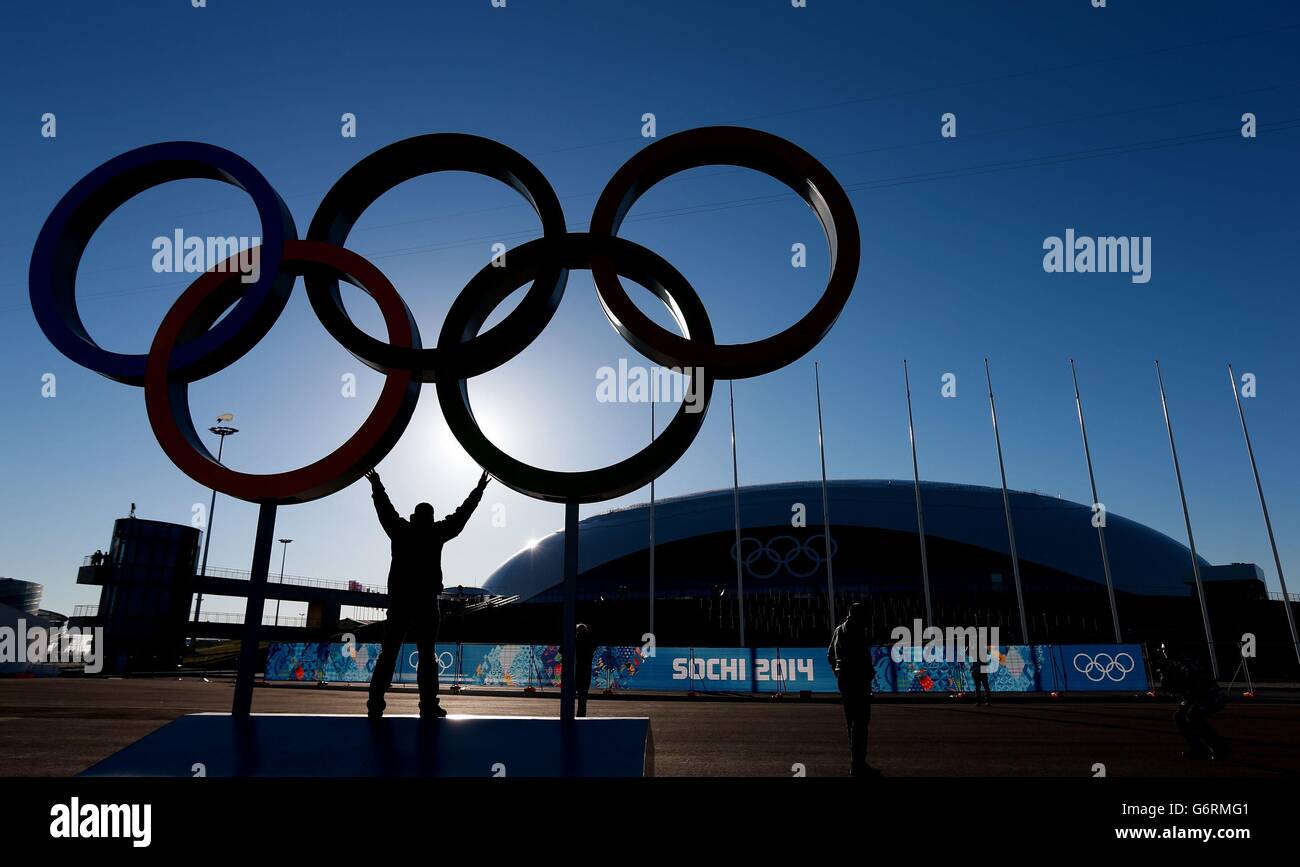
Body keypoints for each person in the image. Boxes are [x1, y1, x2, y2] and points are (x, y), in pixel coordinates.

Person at [364, 468, 489, 720]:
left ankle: (375, 703)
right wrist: (479, 490)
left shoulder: (400, 530)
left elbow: (384, 509)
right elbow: (461, 516)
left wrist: (377, 484)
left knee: (389, 653)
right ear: (431, 517)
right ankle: (428, 705)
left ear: (413, 515)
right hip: (426, 601)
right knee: (427, 655)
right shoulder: (435, 532)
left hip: (400, 600)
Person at [827, 603, 879, 776]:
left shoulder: (839, 629)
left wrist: (838, 671)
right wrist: (869, 673)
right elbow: (862, 658)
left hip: (844, 680)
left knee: (851, 722)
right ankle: (858, 763)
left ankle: (856, 762)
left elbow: (830, 655)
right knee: (861, 722)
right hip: (858, 680)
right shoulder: (858, 631)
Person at [1156, 643, 1229, 759]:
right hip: (1199, 695)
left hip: (1210, 695)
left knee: (1193, 716)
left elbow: (1196, 686)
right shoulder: (1174, 664)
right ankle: (1198, 748)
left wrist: (1177, 689)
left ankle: (1219, 748)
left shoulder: (1186, 664)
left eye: (1166, 649)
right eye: (1163, 650)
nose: (1164, 652)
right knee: (1180, 716)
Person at [574, 622, 598, 717]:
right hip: (585, 672)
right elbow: (595, 643)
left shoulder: (574, 641)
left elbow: (562, 652)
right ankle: (581, 716)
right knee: (583, 698)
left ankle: (569, 716)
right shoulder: (590, 643)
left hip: (574, 671)